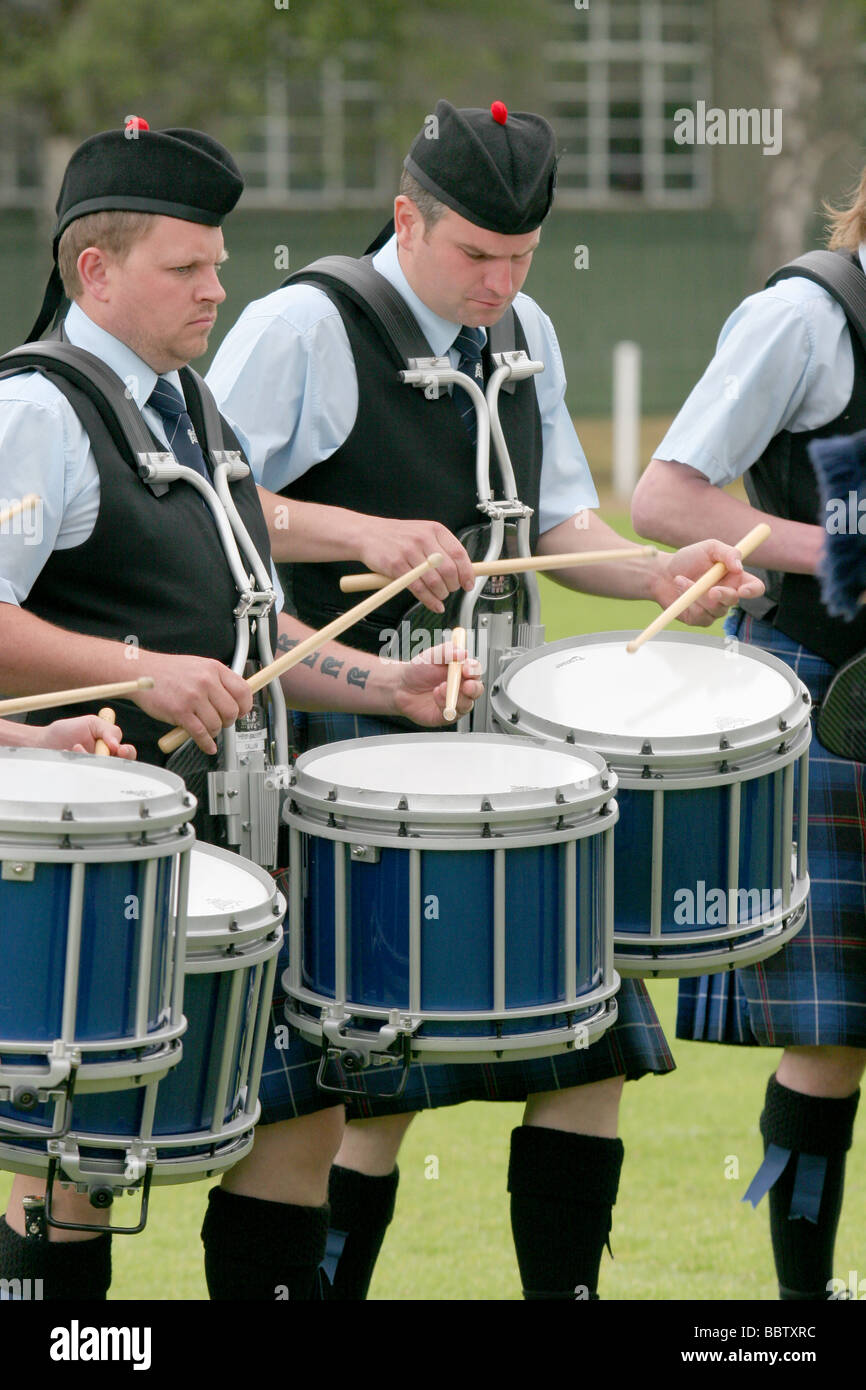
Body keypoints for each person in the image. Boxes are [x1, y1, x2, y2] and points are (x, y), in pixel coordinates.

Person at [208, 97, 765, 1300]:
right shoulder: (299, 325)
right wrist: (363, 528)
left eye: (518, 258)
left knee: (581, 1058)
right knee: (359, 1085)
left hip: (492, 743)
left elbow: (558, 519)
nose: (497, 282)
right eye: (473, 255)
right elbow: (208, 507)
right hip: (334, 739)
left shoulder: (525, 328)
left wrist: (650, 571)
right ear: (405, 218)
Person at [0, 118, 482, 1302]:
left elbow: (247, 651)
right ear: (93, 270)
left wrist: (386, 683)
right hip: (97, 869)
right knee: (74, 1168)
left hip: (241, 856)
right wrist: (131, 665)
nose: (220, 286)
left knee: (295, 1135)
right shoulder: (38, 412)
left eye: (220, 261)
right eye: (187, 267)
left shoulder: (190, 406)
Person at [631, 175, 866, 1300]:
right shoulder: (802, 316)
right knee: (832, 1036)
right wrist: (837, 551)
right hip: (833, 697)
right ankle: (803, 1306)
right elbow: (665, 498)